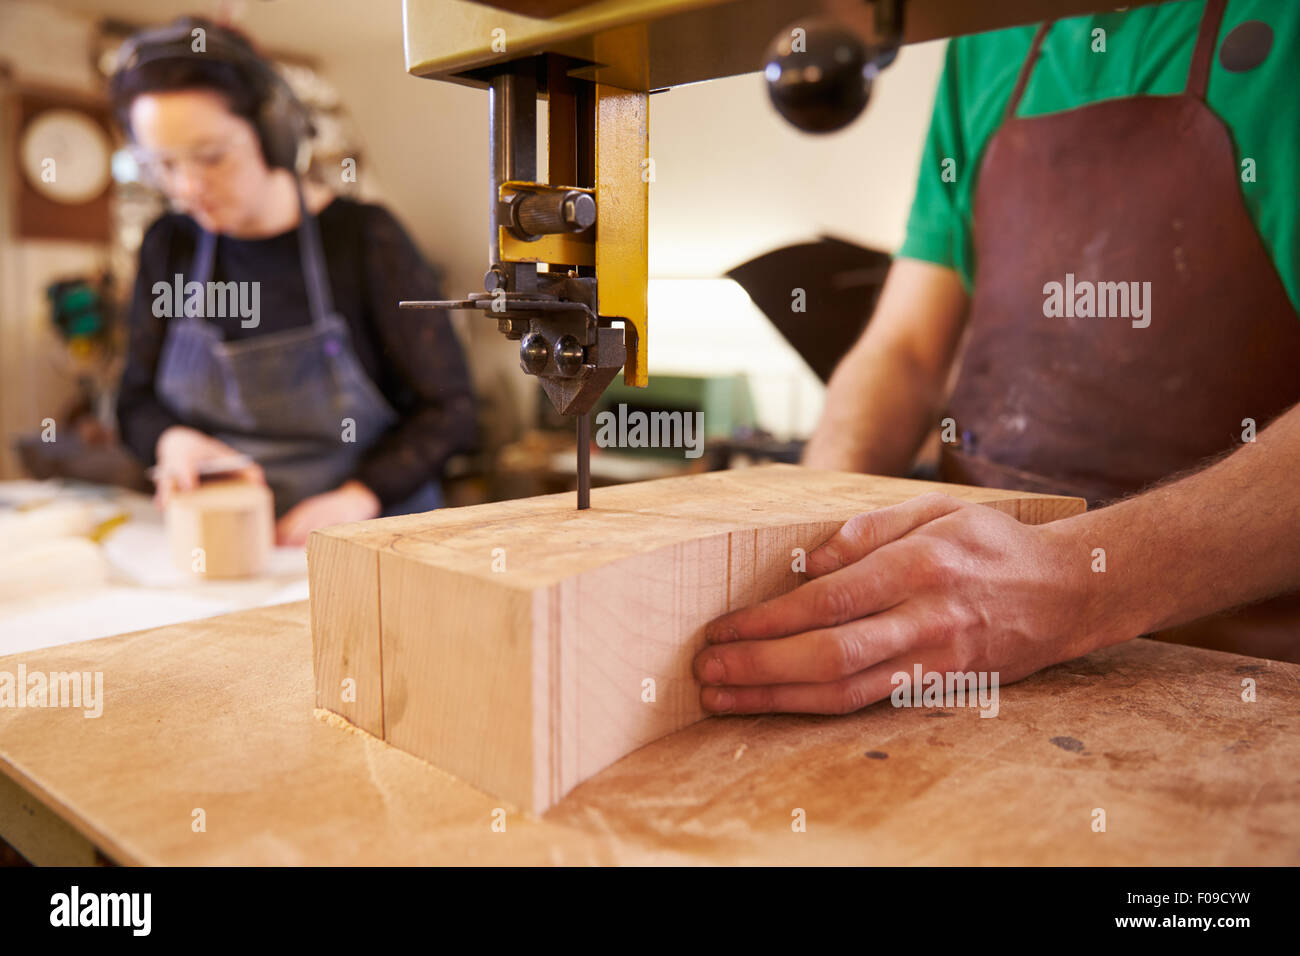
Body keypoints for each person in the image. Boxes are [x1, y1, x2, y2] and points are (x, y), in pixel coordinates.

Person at [694, 0, 1300, 715]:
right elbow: (905, 352)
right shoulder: (986, 37)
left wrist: (1072, 584)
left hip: (1231, 680)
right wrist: (809, 545)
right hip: (959, 652)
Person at [112, 17, 476, 545]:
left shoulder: (364, 239)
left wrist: (359, 495)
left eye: (212, 157)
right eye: (163, 165)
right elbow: (133, 401)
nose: (187, 187)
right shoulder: (169, 244)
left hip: (370, 544)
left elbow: (451, 410)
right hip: (223, 549)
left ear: (274, 133)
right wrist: (172, 441)